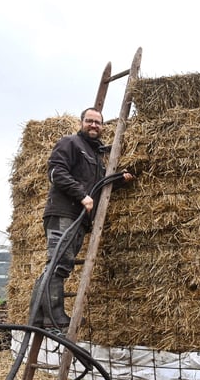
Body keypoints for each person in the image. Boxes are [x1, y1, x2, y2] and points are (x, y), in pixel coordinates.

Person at [34, 107, 133, 332]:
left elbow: (97, 184)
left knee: (59, 264)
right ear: (81, 122)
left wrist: (120, 179)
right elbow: (56, 172)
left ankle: (40, 317)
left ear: (102, 127)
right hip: (63, 213)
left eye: (98, 122)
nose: (94, 125)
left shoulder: (95, 155)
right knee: (59, 265)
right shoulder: (70, 143)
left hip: (78, 218)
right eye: (89, 121)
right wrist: (81, 196)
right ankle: (55, 316)